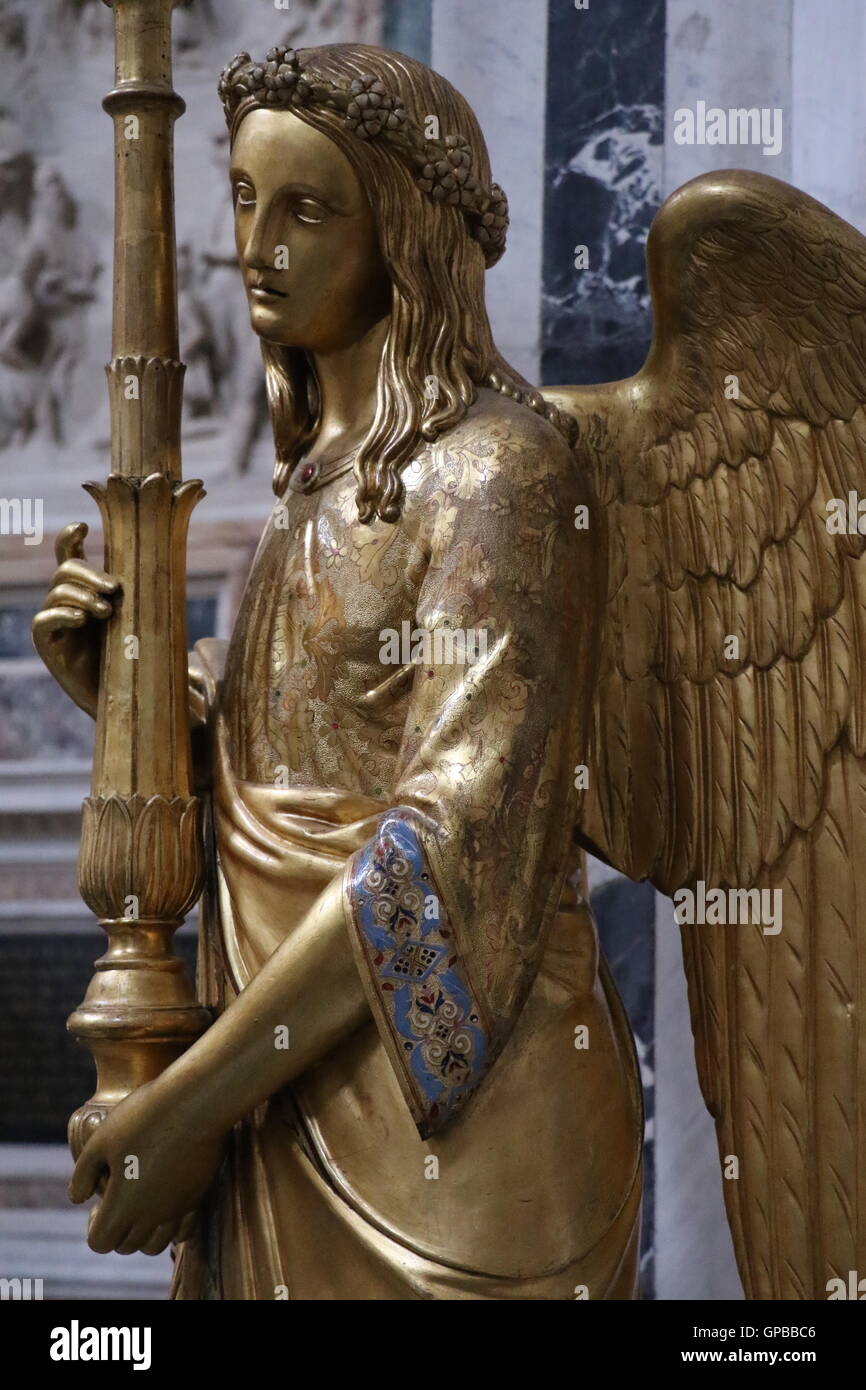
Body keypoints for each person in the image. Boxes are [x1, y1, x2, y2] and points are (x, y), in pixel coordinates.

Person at [33, 43, 642, 1300]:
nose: (257, 246)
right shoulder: (308, 490)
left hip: (454, 1148)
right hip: (288, 1094)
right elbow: (299, 799)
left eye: (308, 209)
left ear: (406, 236)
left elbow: (445, 851)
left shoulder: (497, 474)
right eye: (247, 201)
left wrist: (183, 1105)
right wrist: (131, 711)